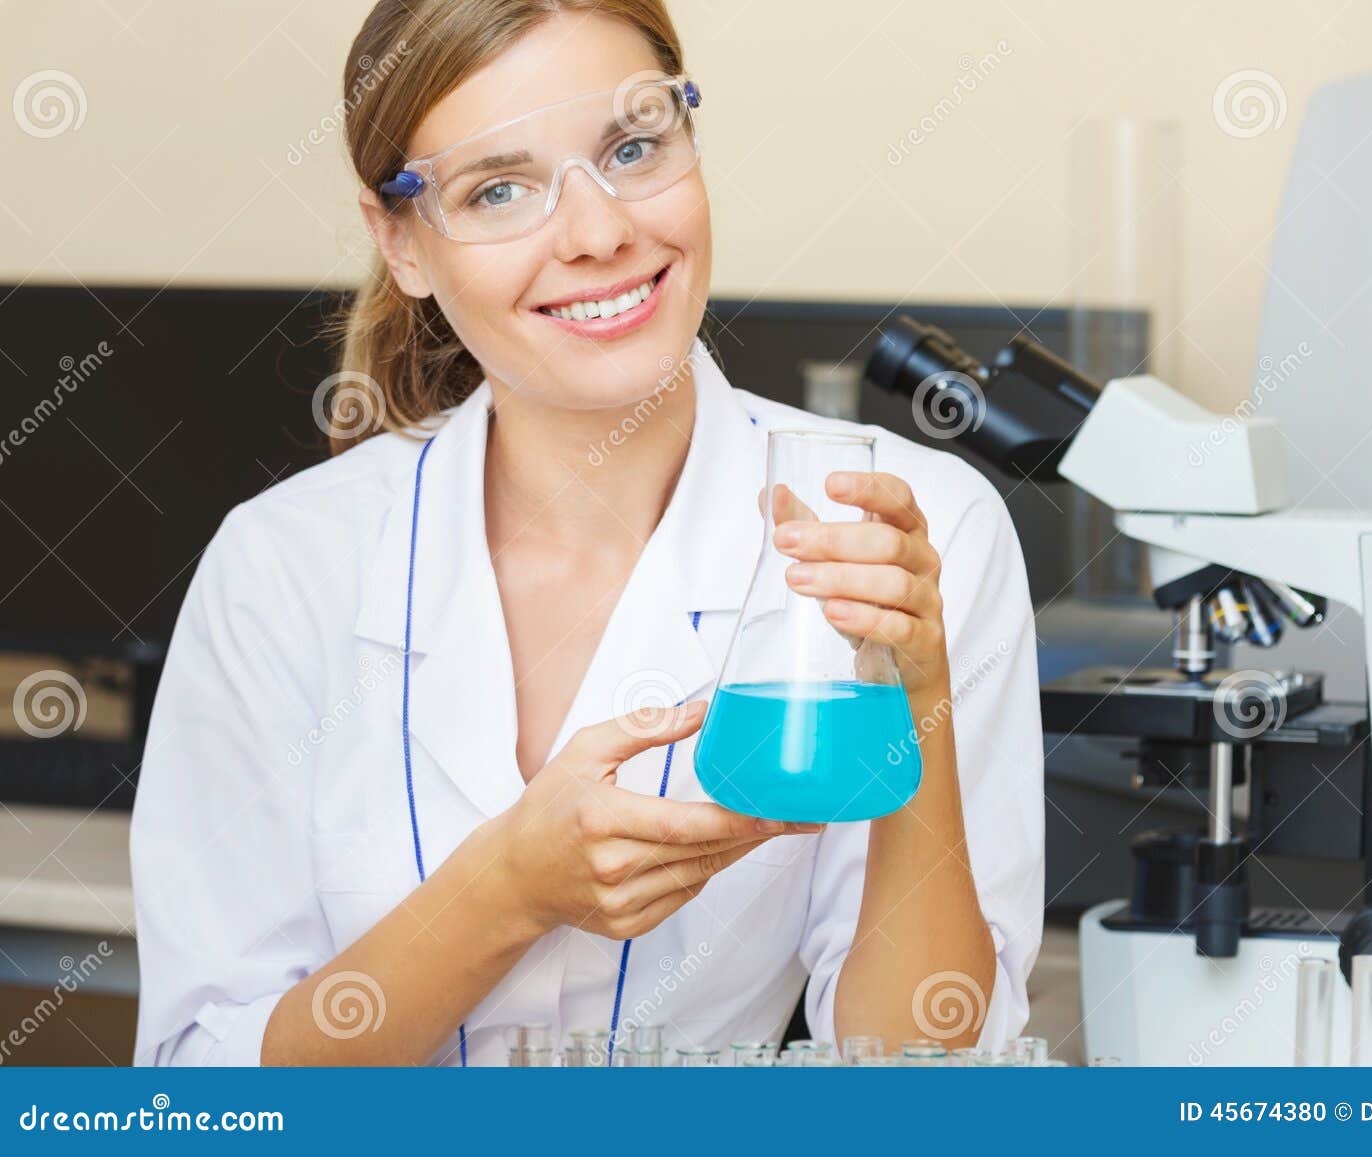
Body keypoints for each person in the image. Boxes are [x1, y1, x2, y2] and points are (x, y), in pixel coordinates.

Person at [130, 0, 1043, 1066]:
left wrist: (917, 701)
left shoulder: (904, 523)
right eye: (498, 189)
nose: (599, 232)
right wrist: (504, 892)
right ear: (401, 242)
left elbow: (920, 1077)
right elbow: (202, 1093)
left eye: (633, 145)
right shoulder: (286, 566)